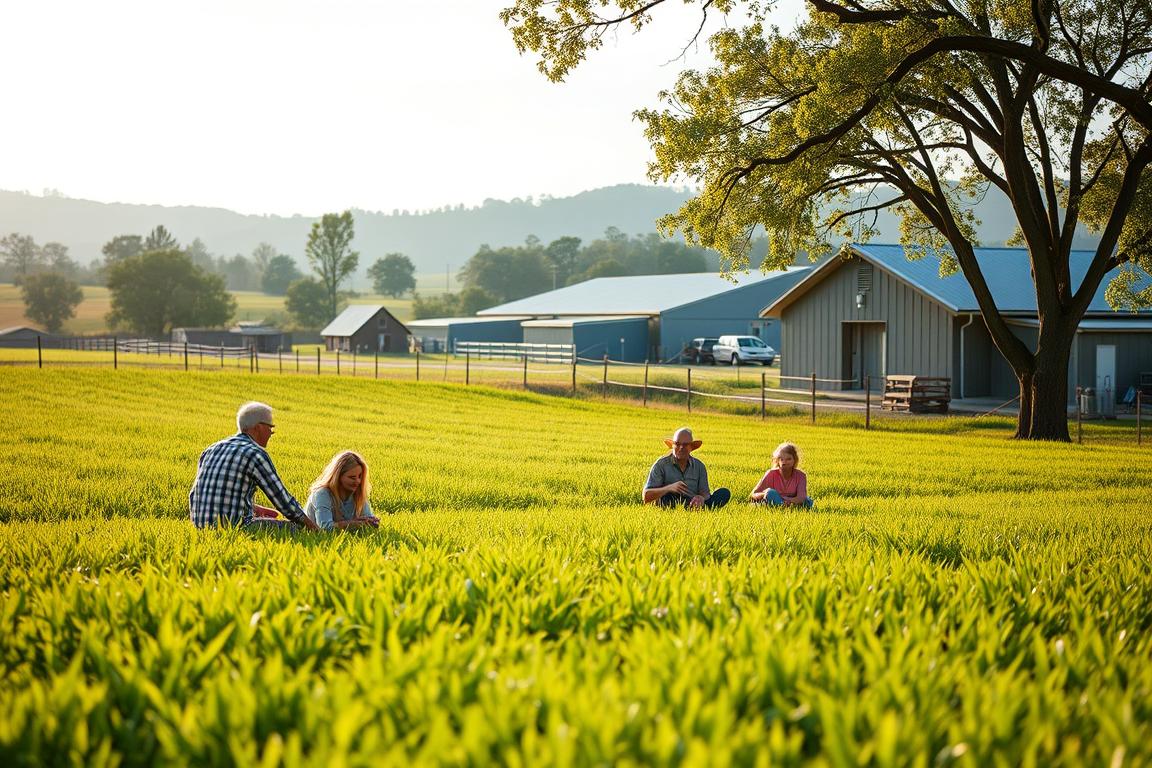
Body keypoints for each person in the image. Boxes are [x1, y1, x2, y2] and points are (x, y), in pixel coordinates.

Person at [189, 401, 319, 530]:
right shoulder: (255, 454)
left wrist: (253, 507)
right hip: (237, 528)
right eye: (270, 427)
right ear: (258, 427)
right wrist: (313, 528)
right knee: (298, 529)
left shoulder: (211, 449)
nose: (271, 433)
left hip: (200, 526)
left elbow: (198, 494)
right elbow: (283, 501)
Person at [643, 427, 731, 508]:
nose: (681, 447)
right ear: (672, 446)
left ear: (691, 447)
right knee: (667, 497)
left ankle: (700, 509)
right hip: (668, 503)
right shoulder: (661, 465)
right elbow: (646, 497)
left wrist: (701, 498)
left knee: (724, 493)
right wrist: (669, 488)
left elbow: (705, 494)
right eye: (677, 444)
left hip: (693, 505)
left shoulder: (699, 466)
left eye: (685, 445)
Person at [305, 451, 380, 531]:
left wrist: (371, 522)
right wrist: (354, 524)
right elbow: (325, 527)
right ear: (337, 477)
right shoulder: (322, 494)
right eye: (352, 477)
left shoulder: (358, 493)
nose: (357, 481)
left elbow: (367, 519)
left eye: (360, 476)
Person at [750, 441, 814, 508]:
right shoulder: (771, 474)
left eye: (788, 459)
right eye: (781, 459)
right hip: (774, 499)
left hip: (793, 502)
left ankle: (782, 506)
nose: (784, 462)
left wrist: (787, 501)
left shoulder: (801, 476)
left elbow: (801, 497)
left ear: (795, 460)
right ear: (777, 460)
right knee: (771, 493)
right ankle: (779, 506)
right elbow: (753, 495)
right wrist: (764, 495)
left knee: (808, 501)